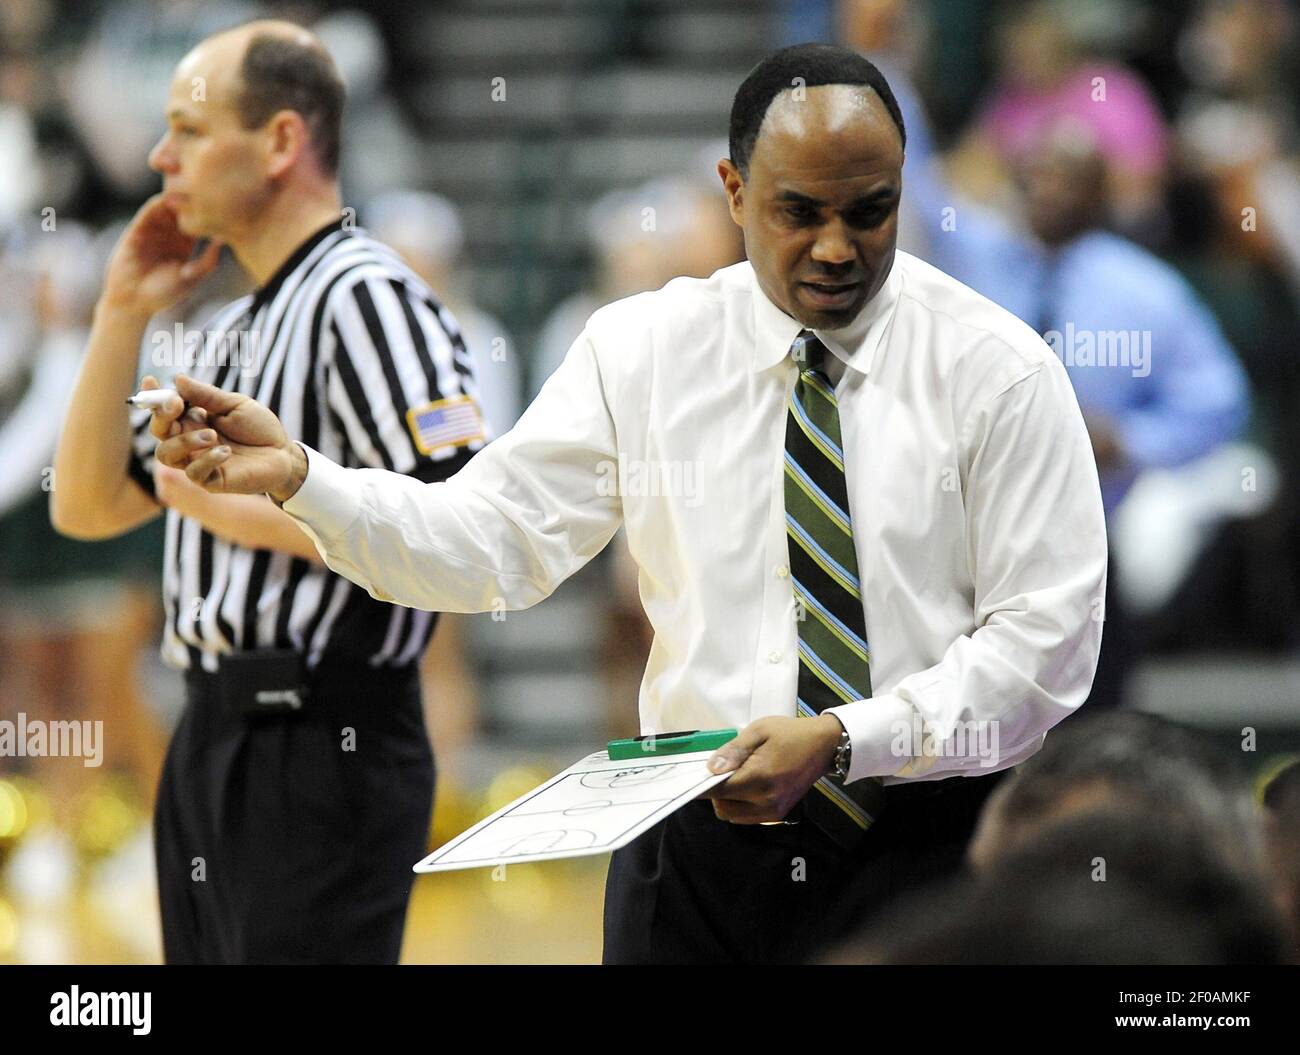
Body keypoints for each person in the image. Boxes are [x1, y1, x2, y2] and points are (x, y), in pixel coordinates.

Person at [150, 44, 1108, 965]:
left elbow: (1047, 642)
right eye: (798, 210)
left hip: (931, 843)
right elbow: (489, 541)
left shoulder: (999, 369)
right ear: (734, 193)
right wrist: (302, 477)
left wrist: (850, 738)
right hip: (693, 847)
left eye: (871, 211)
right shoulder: (644, 350)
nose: (835, 246)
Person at [52, 20, 485, 964]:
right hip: (210, 727)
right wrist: (121, 310)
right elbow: (83, 506)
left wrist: (207, 500)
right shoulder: (228, 321)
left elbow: (457, 524)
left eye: (191, 130)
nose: (161, 155)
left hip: (327, 734)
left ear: (282, 141)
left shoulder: (369, 295)